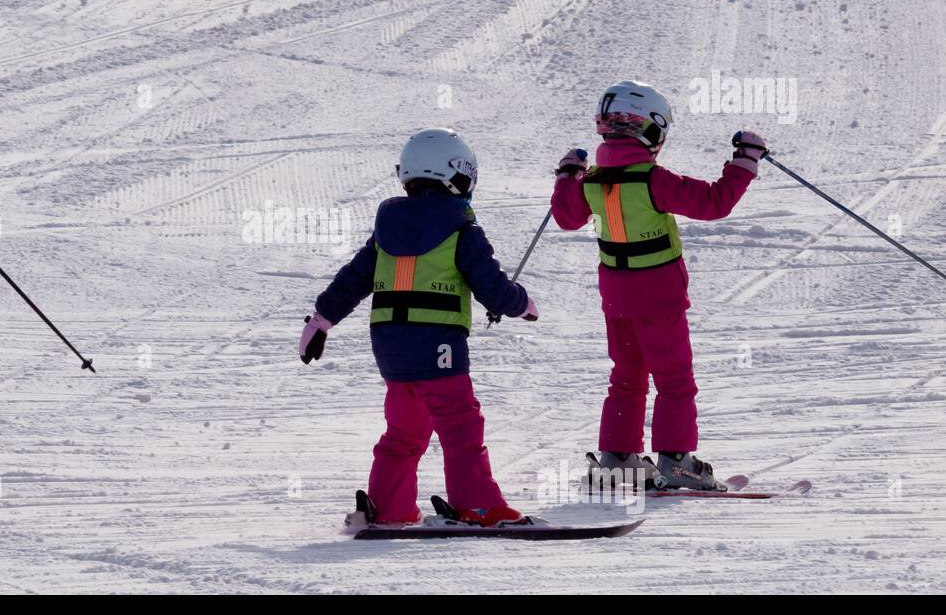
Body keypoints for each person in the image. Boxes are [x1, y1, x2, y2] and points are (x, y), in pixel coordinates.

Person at [299, 128, 537, 526]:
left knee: (404, 430)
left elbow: (353, 279)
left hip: (391, 348)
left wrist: (321, 320)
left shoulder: (387, 228)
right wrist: (521, 304)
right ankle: (479, 506)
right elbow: (492, 287)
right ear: (456, 176)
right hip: (437, 344)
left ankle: (388, 509)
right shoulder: (461, 228)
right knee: (460, 426)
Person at [550, 80, 766, 490]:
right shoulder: (652, 179)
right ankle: (677, 460)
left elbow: (565, 216)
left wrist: (567, 173)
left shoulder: (592, 183)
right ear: (650, 131)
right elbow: (714, 203)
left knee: (627, 376)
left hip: (617, 298)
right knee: (674, 379)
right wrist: (744, 161)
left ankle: (618, 459)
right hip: (659, 297)